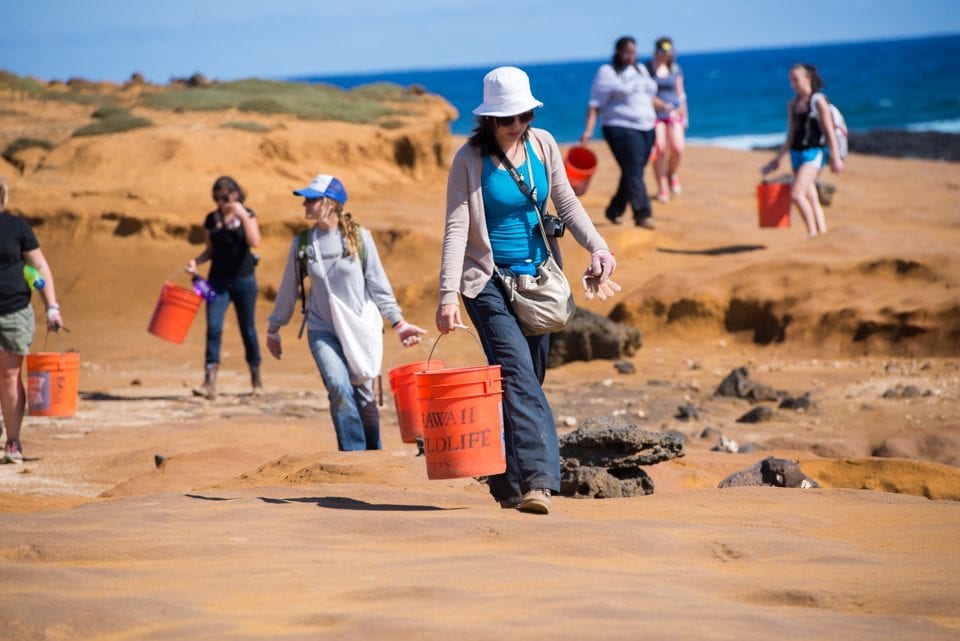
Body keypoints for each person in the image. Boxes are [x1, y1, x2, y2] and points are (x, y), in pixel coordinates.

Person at [438, 66, 620, 515]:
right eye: (507, 119)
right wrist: (446, 294)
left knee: (524, 381)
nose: (517, 126)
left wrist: (598, 247)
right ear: (488, 120)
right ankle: (540, 482)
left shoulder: (543, 144)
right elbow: (457, 228)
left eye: (523, 116)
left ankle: (503, 483)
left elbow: (567, 202)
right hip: (487, 283)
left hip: (538, 279)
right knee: (518, 374)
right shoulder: (469, 160)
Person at [265, 174, 426, 451]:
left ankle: (373, 456)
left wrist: (399, 323)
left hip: (359, 329)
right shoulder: (303, 244)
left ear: (329, 203)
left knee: (365, 399)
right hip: (322, 330)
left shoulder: (360, 239)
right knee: (339, 387)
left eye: (311, 199)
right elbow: (289, 289)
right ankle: (353, 459)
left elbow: (378, 285)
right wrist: (274, 328)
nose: (305, 204)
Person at [0, 176, 64, 464]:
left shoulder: (17, 227)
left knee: (9, 376)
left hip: (13, 311)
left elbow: (39, 267)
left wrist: (52, 307)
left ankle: (12, 442)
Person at [580, 36, 671, 229]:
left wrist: (666, 106)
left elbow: (648, 98)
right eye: (627, 52)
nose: (631, 56)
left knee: (633, 170)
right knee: (633, 169)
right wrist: (588, 131)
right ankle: (642, 214)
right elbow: (595, 105)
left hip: (647, 126)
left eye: (634, 52)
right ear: (619, 53)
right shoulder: (608, 72)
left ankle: (615, 209)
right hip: (619, 126)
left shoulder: (641, 69)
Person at [185, 176, 263, 399]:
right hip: (217, 281)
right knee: (214, 327)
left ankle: (256, 380)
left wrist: (241, 215)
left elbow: (254, 241)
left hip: (244, 280)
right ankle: (209, 382)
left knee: (247, 328)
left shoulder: (247, 214)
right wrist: (196, 262)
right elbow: (210, 249)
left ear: (236, 195)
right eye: (217, 196)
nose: (222, 200)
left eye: (226, 195)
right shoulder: (211, 219)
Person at [761, 63, 844, 237]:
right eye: (791, 80)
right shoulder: (793, 104)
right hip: (796, 155)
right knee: (811, 196)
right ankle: (822, 232)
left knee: (797, 193)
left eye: (796, 79)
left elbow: (829, 131)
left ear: (808, 79)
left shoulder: (818, 101)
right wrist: (776, 160)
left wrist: (836, 157)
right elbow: (790, 136)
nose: (793, 84)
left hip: (814, 154)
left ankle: (812, 234)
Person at [647, 37, 688, 203]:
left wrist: (684, 113)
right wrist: (662, 105)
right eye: (663, 51)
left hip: (674, 114)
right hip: (655, 114)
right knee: (659, 149)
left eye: (668, 52)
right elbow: (646, 93)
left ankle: (671, 173)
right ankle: (662, 185)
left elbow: (681, 92)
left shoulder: (675, 68)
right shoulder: (647, 69)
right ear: (656, 51)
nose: (666, 55)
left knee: (677, 148)